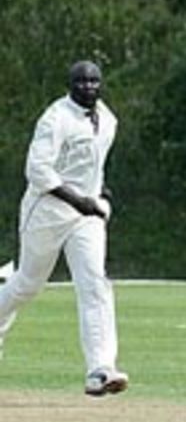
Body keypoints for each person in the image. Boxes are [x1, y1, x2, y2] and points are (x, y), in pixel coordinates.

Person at [0, 60, 128, 396]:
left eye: (94, 81)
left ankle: (100, 369)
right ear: (70, 85)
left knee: (94, 282)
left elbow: (93, 164)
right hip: (47, 212)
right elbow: (38, 171)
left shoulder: (108, 119)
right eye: (81, 82)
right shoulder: (55, 118)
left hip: (86, 215)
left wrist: (98, 192)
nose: (88, 87)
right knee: (28, 284)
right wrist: (79, 200)